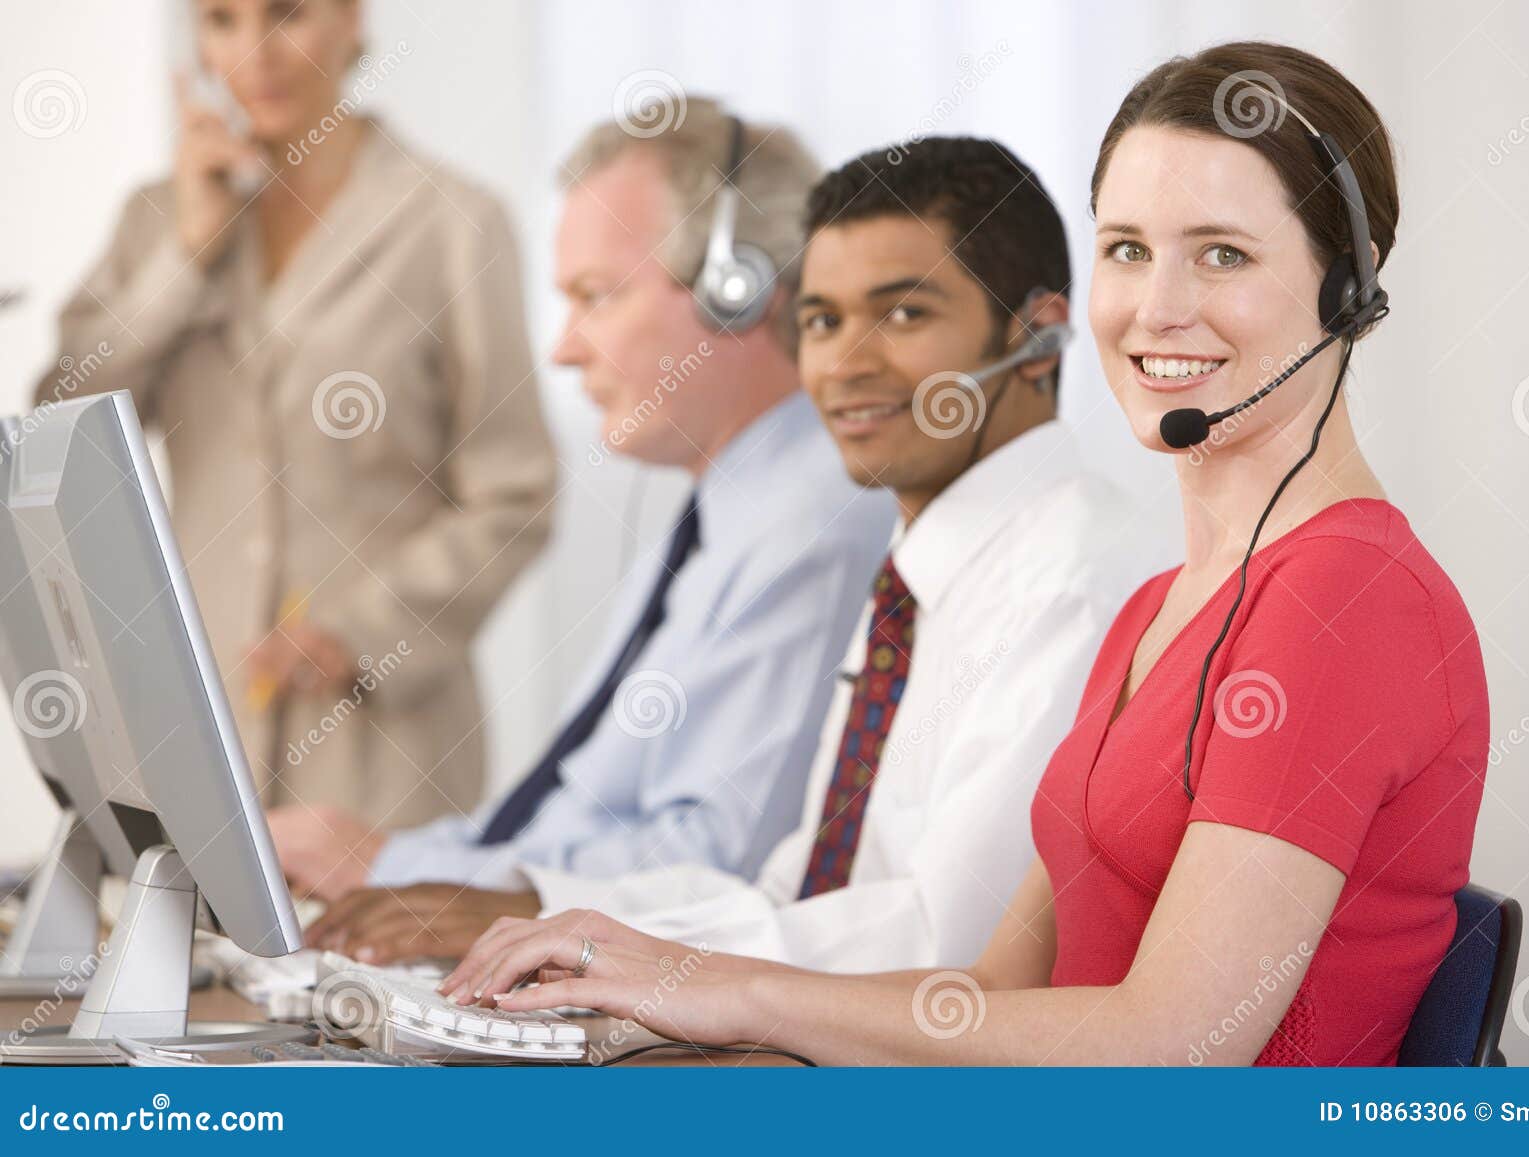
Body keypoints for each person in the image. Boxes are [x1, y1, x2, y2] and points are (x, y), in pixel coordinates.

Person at [441, 42, 1489, 1068]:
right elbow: (988, 993)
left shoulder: (1345, 599)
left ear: (1345, 288)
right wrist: (675, 995)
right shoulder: (1163, 607)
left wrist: (733, 992)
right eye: (1126, 248)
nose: (1154, 307)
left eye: (1221, 252)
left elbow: (1172, 1047)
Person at [311, 135, 1160, 970]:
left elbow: (945, 946)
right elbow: (798, 892)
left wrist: (588, 937)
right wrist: (556, 917)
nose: (846, 364)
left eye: (905, 312)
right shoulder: (920, 568)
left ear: (1040, 337)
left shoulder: (1066, 581)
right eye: (824, 320)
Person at [268, 99, 897, 945]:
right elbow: (560, 820)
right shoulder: (714, 520)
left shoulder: (813, 526)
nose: (564, 349)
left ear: (736, 291)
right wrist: (388, 858)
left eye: (595, 298)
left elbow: (717, 867)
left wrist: (400, 874)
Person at [34, 0, 555, 828]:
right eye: (221, 20)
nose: (255, 54)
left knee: (375, 955)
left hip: (380, 740)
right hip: (199, 720)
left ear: (352, 19)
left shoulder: (453, 222)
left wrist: (362, 628)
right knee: (186, 953)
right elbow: (61, 431)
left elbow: (516, 490)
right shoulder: (156, 220)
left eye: (287, 14)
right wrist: (189, 255)